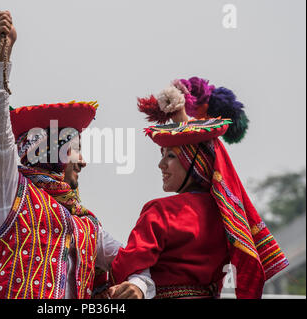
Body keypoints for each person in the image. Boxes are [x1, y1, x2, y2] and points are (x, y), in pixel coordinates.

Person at [0, 11, 154, 299]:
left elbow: (136, 265)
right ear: (53, 151)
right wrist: (3, 56)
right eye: (76, 150)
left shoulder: (88, 226)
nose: (83, 162)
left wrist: (137, 286)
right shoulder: (10, 194)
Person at [109, 77, 288, 299]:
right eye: (162, 155)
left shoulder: (160, 211)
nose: (161, 164)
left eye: (171, 156)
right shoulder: (228, 218)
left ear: (196, 164)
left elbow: (126, 264)